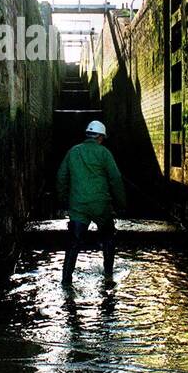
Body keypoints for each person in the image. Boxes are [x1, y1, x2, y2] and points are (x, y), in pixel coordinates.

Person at [56, 119, 126, 284]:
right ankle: (108, 276)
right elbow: (115, 179)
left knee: (74, 243)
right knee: (108, 237)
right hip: (101, 206)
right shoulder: (104, 153)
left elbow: (61, 177)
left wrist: (63, 202)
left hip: (78, 206)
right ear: (100, 137)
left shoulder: (73, 152)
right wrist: (121, 204)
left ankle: (66, 280)